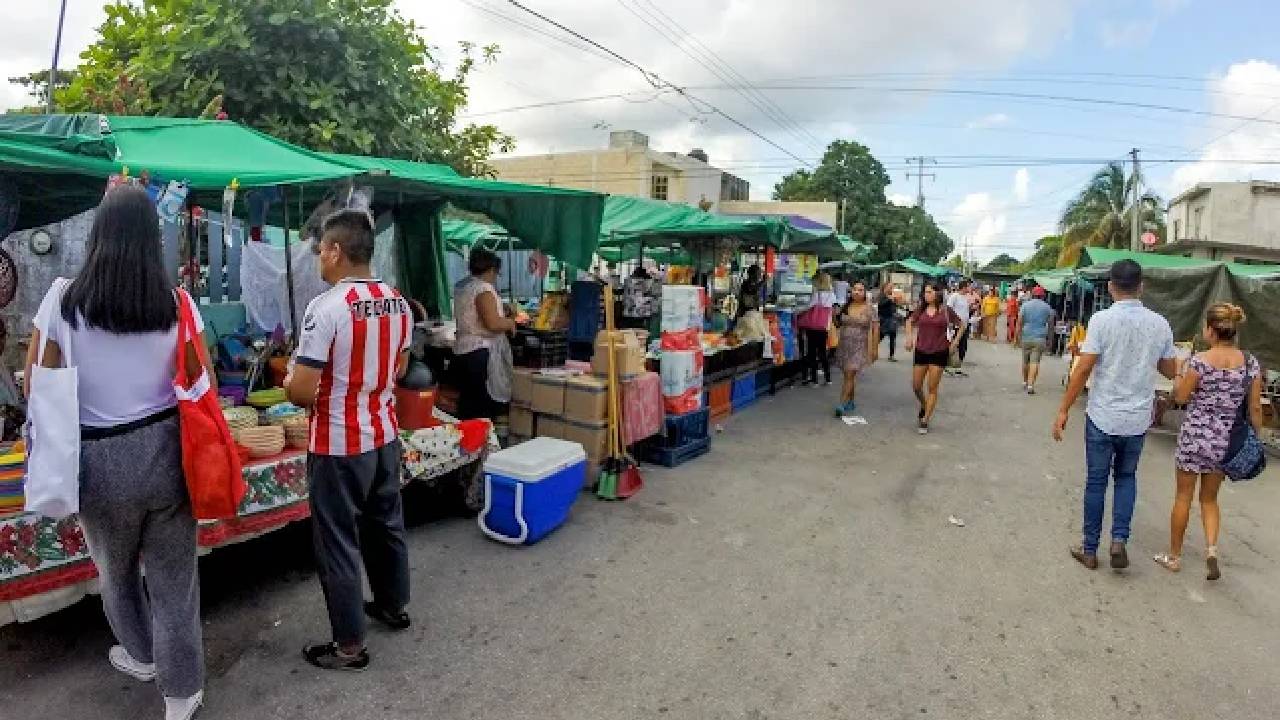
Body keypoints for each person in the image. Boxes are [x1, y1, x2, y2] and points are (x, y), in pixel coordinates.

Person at [24, 186, 210, 720]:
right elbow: (201, 380)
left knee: (116, 571)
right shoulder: (176, 301)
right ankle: (181, 695)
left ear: (97, 234)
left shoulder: (62, 297)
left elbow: (41, 380)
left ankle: (142, 655)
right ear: (152, 239)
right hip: (166, 451)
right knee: (176, 582)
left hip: (97, 461)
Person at [286, 209, 414, 671]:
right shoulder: (398, 302)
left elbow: (301, 391)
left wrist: (288, 382)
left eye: (321, 249)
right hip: (384, 435)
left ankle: (349, 646)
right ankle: (393, 605)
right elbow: (398, 367)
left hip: (338, 444)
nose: (320, 258)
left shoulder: (327, 308)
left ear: (337, 251)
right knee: (386, 524)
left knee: (337, 541)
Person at [1053, 259, 1178, 570]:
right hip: (1136, 419)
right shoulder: (1159, 324)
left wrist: (1064, 409)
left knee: (1096, 482)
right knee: (1125, 478)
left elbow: (1083, 368)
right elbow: (1171, 369)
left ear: (1110, 287)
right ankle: (1119, 539)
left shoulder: (1101, 321)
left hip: (1102, 415)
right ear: (1141, 286)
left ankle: (1090, 548)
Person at [1153, 304, 1264, 580]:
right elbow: (1256, 409)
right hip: (1225, 441)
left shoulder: (1200, 361)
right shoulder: (1250, 363)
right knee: (1209, 500)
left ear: (1212, 331)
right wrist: (1254, 438)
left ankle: (1174, 556)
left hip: (1195, 438)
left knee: (1183, 496)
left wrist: (1179, 372)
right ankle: (1212, 551)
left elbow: (1180, 397)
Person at [450, 249, 516, 420]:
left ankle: (467, 441)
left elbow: (474, 312)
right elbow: (492, 324)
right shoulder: (483, 289)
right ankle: (480, 442)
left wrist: (502, 309)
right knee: (479, 407)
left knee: (468, 405)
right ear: (492, 269)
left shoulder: (463, 285)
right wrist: (510, 323)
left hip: (463, 350)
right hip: (479, 353)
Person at [905, 282, 964, 434]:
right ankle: (924, 405)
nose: (926, 295)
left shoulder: (946, 311)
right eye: (925, 292)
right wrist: (909, 338)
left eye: (930, 292)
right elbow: (909, 321)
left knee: (932, 387)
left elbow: (962, 325)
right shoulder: (921, 309)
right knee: (916, 386)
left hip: (939, 351)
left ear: (938, 293)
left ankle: (925, 420)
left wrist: (955, 342)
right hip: (921, 351)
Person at [833, 281, 879, 415]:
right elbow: (837, 324)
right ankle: (851, 401)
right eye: (855, 289)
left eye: (860, 290)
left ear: (865, 293)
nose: (857, 292)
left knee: (849, 374)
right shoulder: (845, 306)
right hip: (844, 345)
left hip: (859, 346)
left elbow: (876, 329)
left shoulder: (870, 308)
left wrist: (875, 349)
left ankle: (841, 403)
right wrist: (833, 315)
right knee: (848, 375)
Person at [798, 272, 837, 386]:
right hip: (824, 327)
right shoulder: (832, 295)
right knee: (822, 353)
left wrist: (797, 312)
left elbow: (808, 306)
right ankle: (828, 378)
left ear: (819, 281)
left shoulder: (817, 294)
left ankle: (814, 380)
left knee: (811, 353)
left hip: (813, 327)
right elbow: (831, 312)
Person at [1015, 286, 1055, 394]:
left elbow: (1019, 322)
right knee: (1035, 361)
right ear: (1043, 296)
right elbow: (1051, 326)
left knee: (1025, 361)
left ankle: (1024, 381)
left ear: (1032, 295)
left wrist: (1017, 337)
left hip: (1026, 336)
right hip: (1040, 338)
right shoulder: (1048, 308)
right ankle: (1030, 385)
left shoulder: (1025, 305)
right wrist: (1050, 341)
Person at [945, 279, 972, 376]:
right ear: (964, 287)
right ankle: (947, 367)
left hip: (964, 326)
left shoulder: (965, 297)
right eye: (968, 286)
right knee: (953, 346)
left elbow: (965, 311)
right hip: (955, 326)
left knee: (963, 347)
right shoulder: (954, 296)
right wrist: (950, 323)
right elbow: (948, 309)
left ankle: (958, 367)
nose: (969, 288)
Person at [877, 282, 901, 362]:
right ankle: (871, 350)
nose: (891, 289)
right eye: (890, 287)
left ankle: (891, 355)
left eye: (892, 287)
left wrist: (896, 301)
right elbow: (880, 304)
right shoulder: (881, 296)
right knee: (880, 337)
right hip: (883, 319)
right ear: (885, 287)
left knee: (892, 338)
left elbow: (895, 306)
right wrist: (889, 299)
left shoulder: (892, 295)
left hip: (892, 319)